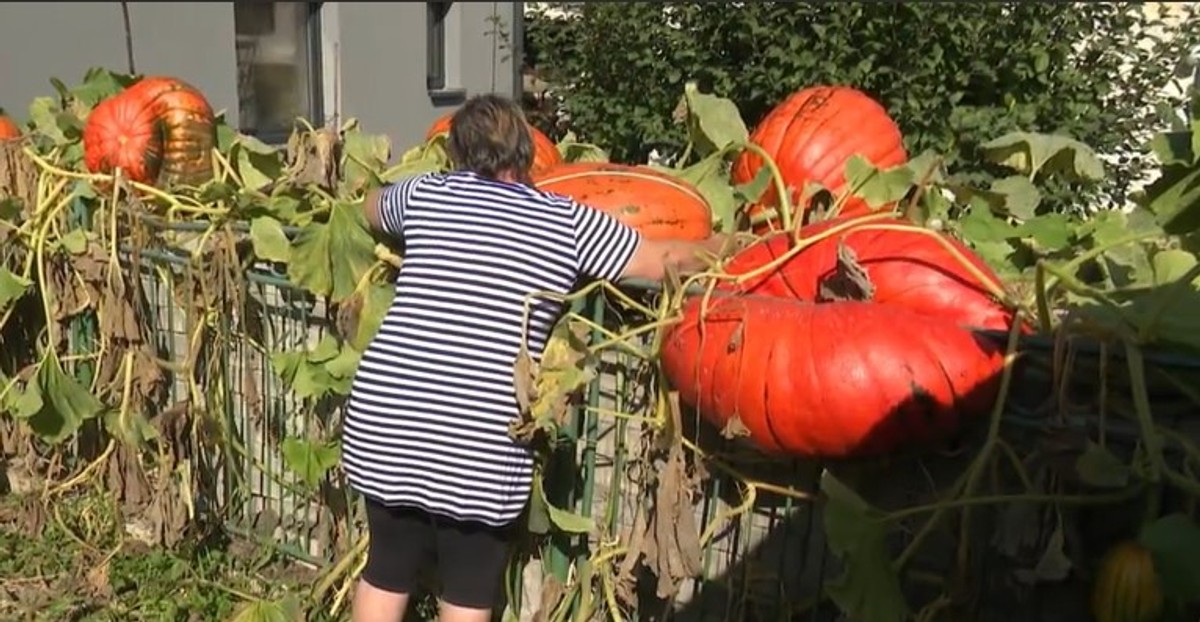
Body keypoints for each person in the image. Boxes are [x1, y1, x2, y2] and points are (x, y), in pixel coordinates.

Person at [342, 93, 727, 622]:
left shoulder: (424, 194)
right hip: (476, 437)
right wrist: (733, 244)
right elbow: (664, 259)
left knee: (386, 571)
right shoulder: (567, 221)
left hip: (386, 418)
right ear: (527, 153)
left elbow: (371, 207)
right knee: (468, 590)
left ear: (456, 153)